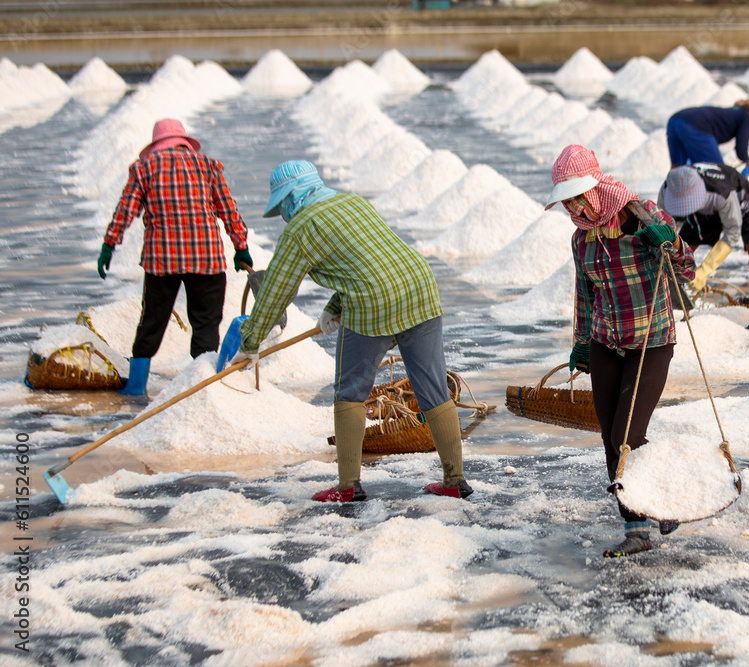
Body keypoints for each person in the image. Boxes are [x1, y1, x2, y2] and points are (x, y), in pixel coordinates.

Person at [232, 160, 471, 502]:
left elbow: (275, 291)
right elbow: (370, 261)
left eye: (282, 206)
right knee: (433, 386)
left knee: (350, 391)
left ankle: (347, 487)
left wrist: (251, 340)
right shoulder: (354, 202)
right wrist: (334, 308)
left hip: (372, 301)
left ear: (290, 198)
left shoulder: (300, 228)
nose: (283, 213)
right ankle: (454, 480)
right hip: (419, 285)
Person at [545, 145, 696, 558]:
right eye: (567, 200)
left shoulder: (646, 216)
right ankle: (636, 528)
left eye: (579, 196)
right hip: (605, 341)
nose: (573, 205)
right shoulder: (581, 239)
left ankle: (662, 498)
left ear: (596, 187)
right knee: (610, 439)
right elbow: (585, 292)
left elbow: (688, 269)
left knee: (627, 434)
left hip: (652, 339)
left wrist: (671, 243)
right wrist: (580, 341)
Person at [99, 118, 253, 396]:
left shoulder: (144, 168)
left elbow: (125, 211)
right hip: (206, 258)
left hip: (161, 261)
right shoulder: (207, 166)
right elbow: (228, 209)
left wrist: (109, 245)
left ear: (157, 145)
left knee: (152, 322)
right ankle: (202, 390)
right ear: (184, 142)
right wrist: (240, 246)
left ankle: (135, 388)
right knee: (206, 323)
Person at [657, 162, 749, 326]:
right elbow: (663, 229)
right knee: (676, 256)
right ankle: (682, 314)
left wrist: (703, 272)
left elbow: (732, 232)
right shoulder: (668, 189)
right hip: (703, 212)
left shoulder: (721, 192)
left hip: (744, 206)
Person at [666, 99, 749, 175]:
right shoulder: (747, 118)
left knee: (677, 170)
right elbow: (741, 147)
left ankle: (669, 199)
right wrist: (747, 160)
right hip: (697, 127)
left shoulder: (733, 112)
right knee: (716, 173)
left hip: (674, 120)